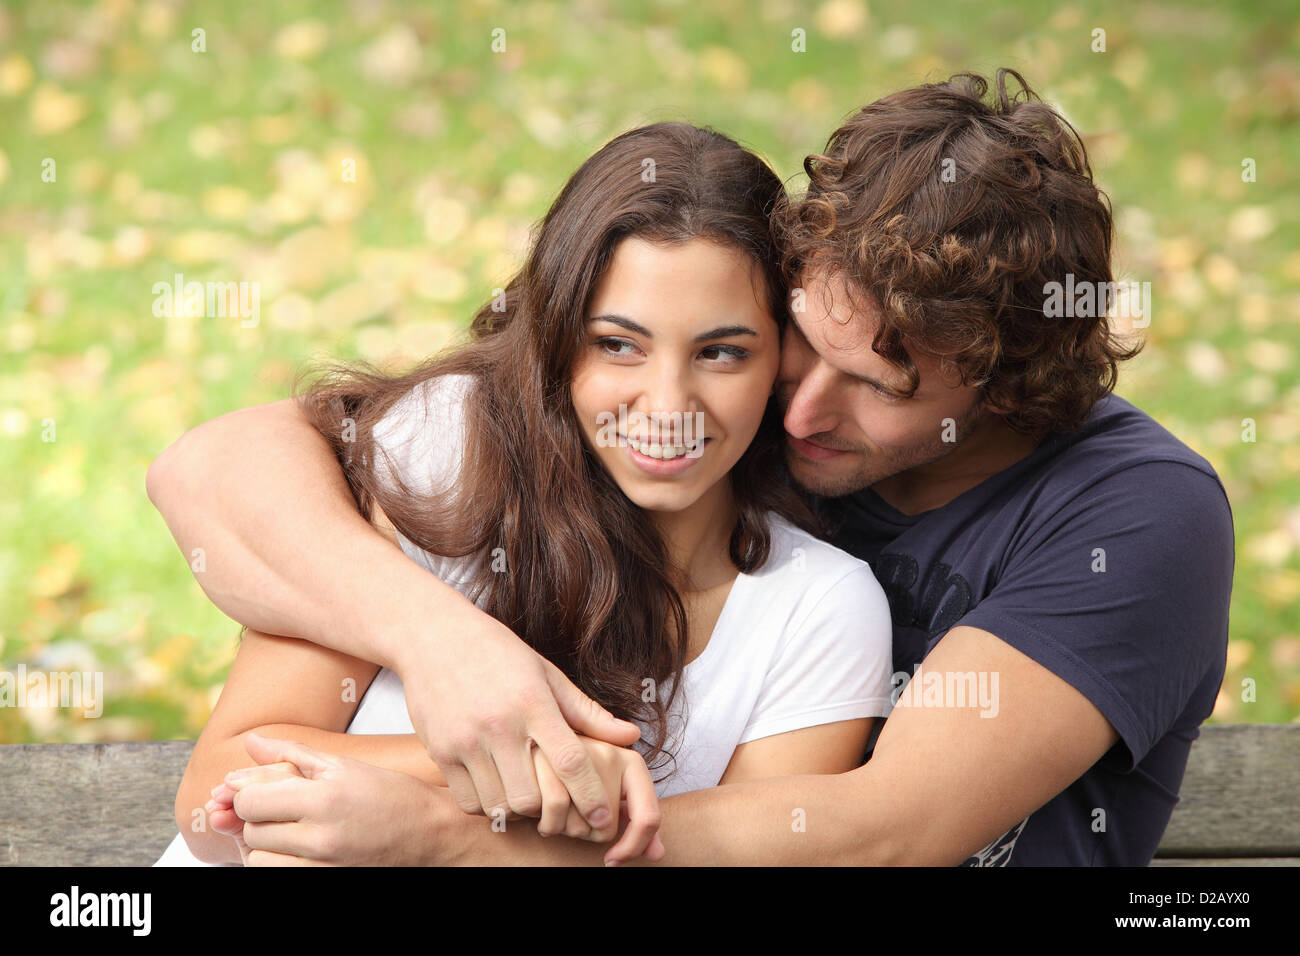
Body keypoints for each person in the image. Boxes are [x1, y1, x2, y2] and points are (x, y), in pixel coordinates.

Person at [149, 69, 1234, 866]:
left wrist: (449, 830)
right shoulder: (696, 425)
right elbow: (214, 469)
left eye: (877, 386)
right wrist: (442, 644)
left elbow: (883, 831)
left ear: (1002, 386)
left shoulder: (1134, 516)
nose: (800, 412)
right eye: (801, 340)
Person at [152, 122, 895, 866]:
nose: (668, 406)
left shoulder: (817, 608)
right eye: (618, 344)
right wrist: (533, 758)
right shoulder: (448, 455)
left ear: (783, 359)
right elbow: (214, 798)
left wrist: (429, 828)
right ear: (558, 340)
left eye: (722, 353)